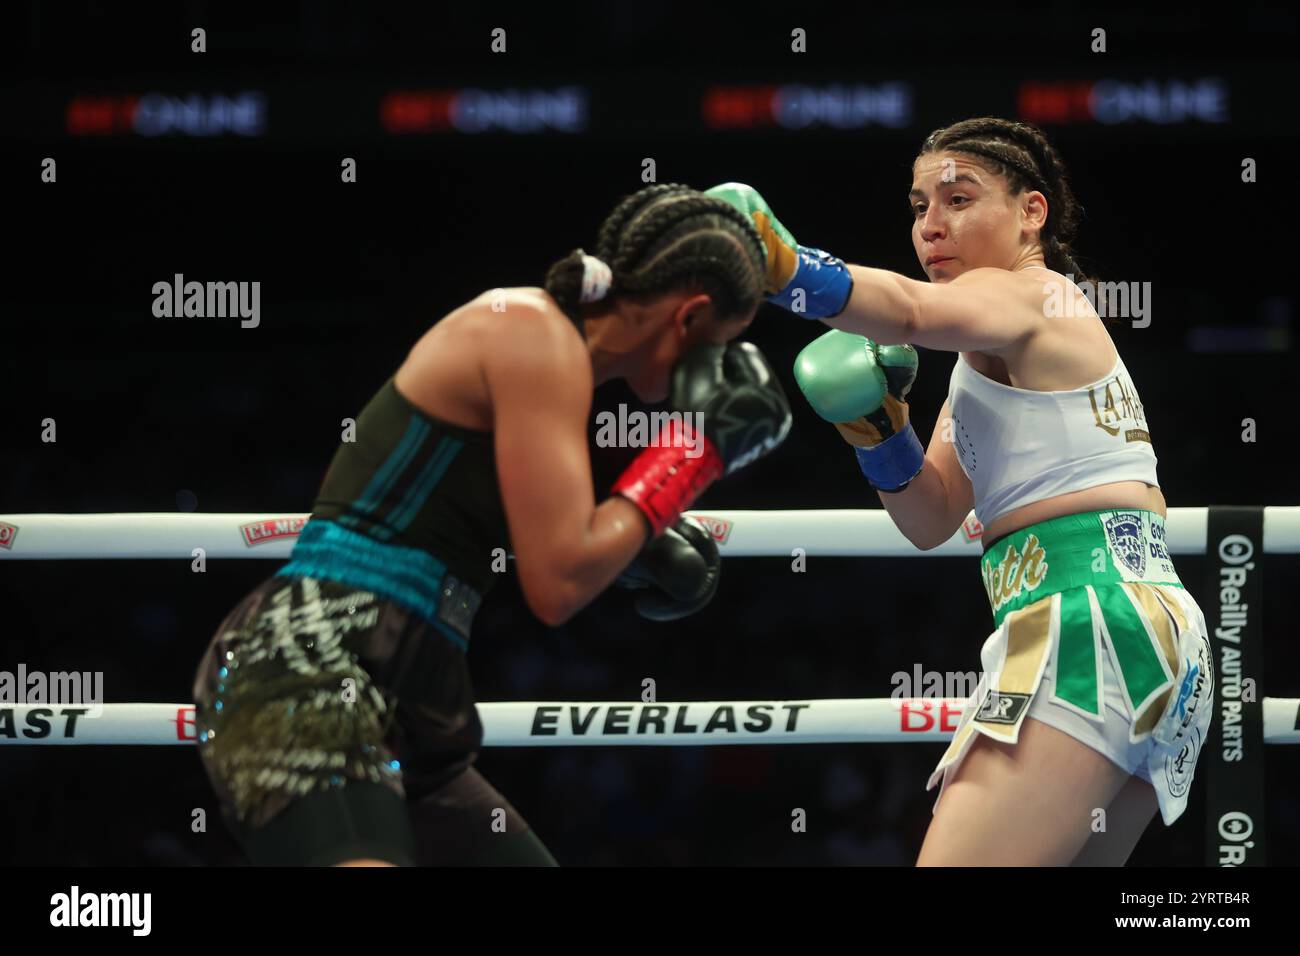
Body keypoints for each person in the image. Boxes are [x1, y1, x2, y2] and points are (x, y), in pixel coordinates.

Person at [192, 183, 792, 866]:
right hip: (312, 670)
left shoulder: (552, 360)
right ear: (690, 317)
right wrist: (695, 452)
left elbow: (540, 541)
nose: (711, 372)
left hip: (411, 706)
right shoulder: (532, 336)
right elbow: (558, 581)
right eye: (719, 347)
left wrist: (634, 547)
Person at [709, 117, 1213, 866]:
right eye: (918, 208)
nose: (932, 226)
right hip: (1131, 623)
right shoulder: (986, 357)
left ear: (1030, 213)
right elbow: (932, 514)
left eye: (957, 198)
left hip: (1090, 623)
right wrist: (879, 430)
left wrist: (782, 266)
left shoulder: (1033, 297)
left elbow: (908, 312)